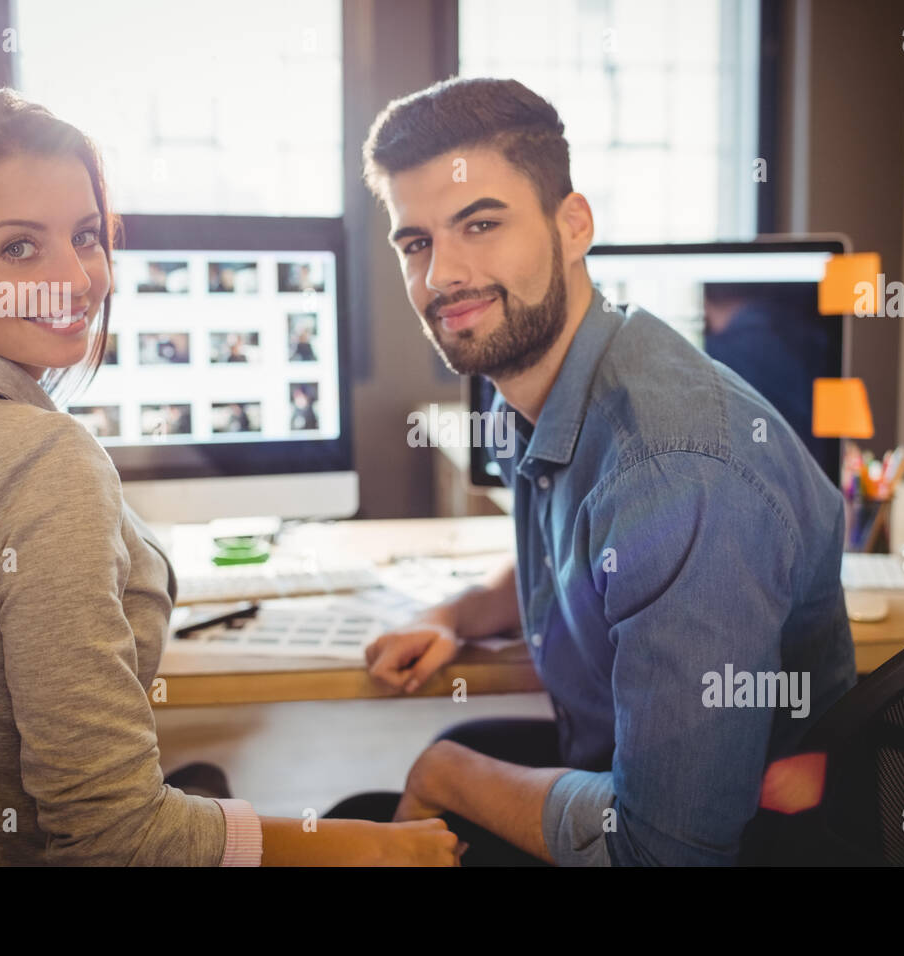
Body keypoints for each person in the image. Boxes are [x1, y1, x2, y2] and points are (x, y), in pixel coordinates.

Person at [0, 88, 458, 867]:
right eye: (19, 247)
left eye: (85, 236)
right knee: (378, 810)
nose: (77, 279)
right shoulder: (37, 460)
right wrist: (367, 850)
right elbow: (114, 838)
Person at [330, 77, 857, 865]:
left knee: (405, 790)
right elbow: (582, 548)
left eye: (481, 223)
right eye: (417, 242)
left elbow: (665, 849)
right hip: (617, 757)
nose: (442, 273)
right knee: (391, 797)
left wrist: (450, 778)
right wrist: (457, 614)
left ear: (572, 225)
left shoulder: (677, 475)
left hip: (736, 842)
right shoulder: (559, 378)